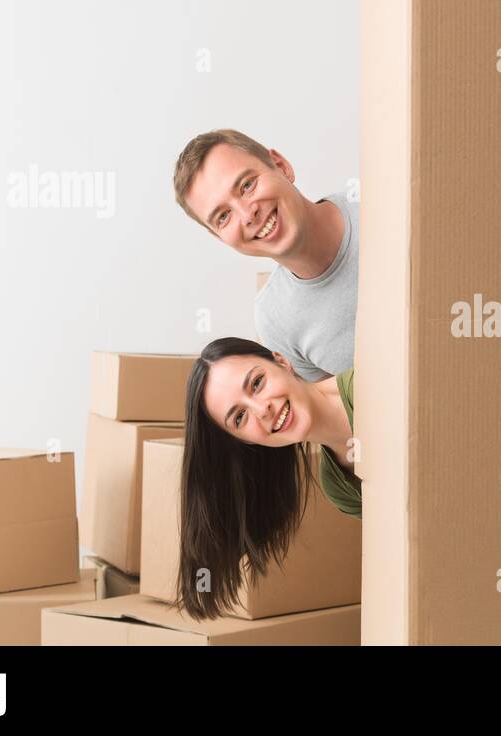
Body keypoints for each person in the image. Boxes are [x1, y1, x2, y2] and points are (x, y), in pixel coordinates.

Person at [176, 336, 360, 621]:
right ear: (243, 441)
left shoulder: (372, 383)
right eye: (239, 418)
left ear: (282, 362)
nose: (262, 410)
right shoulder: (338, 486)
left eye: (257, 383)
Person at [173, 129, 358, 382]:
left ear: (281, 166)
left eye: (247, 185)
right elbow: (339, 411)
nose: (248, 215)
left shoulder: (383, 205)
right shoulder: (276, 321)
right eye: (223, 217)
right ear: (219, 238)